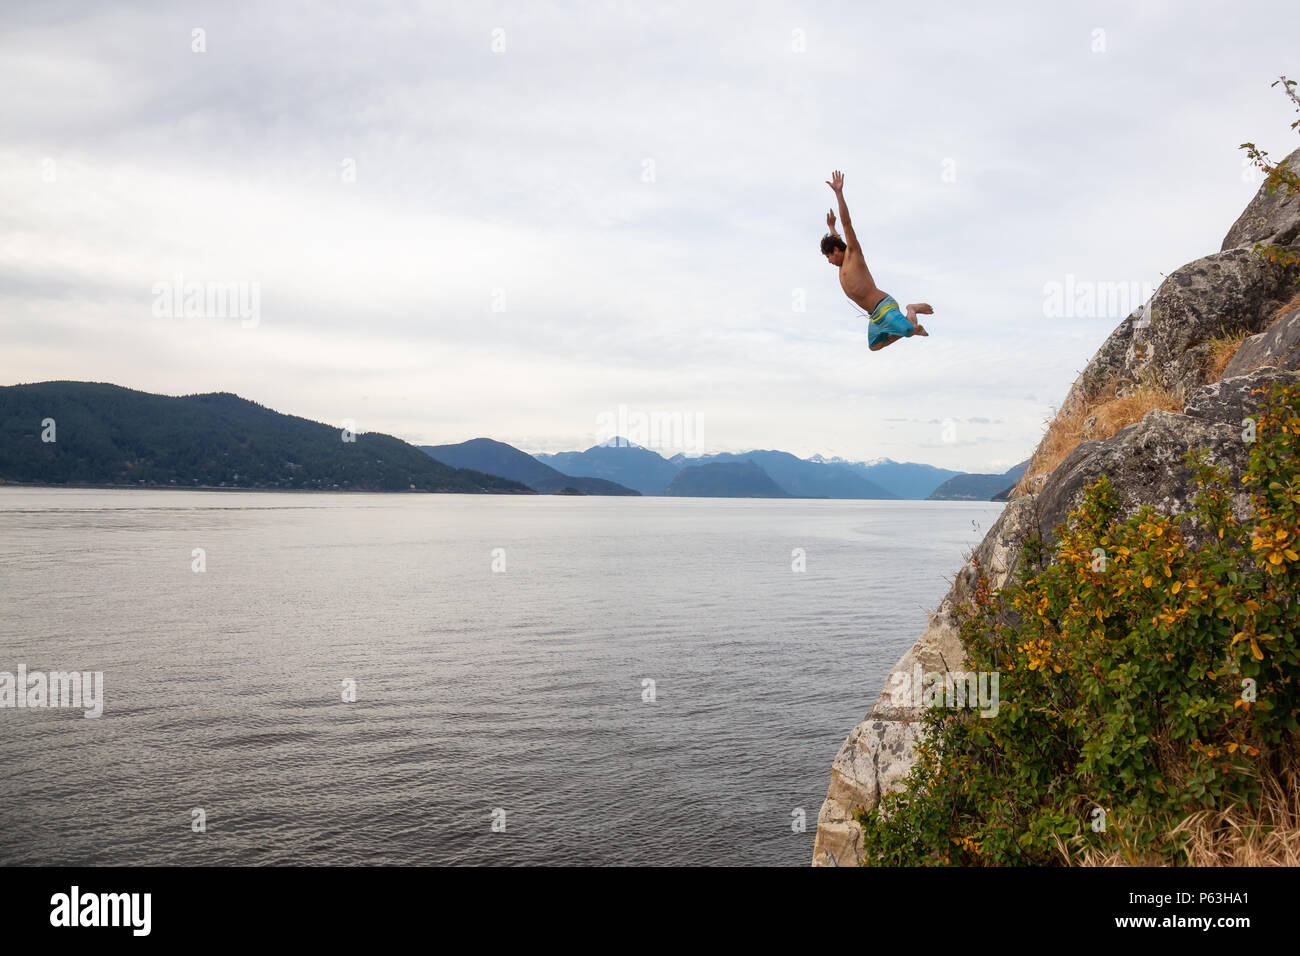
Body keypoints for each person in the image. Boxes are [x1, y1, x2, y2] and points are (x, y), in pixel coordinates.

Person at [821, 169, 932, 351]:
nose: (828, 261)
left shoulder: (853, 254)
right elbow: (837, 239)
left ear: (836, 251)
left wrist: (839, 194)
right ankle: (910, 329)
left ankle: (911, 310)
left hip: (884, 306)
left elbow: (847, 224)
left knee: (908, 330)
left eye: (828, 256)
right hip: (874, 315)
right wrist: (832, 227)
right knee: (875, 346)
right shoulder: (842, 262)